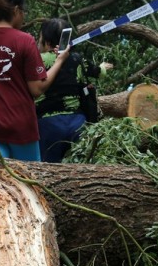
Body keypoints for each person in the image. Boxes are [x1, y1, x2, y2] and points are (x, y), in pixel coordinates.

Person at [0, 0, 68, 161]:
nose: (24, 17)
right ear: (15, 10)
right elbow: (37, 88)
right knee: (27, 183)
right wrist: (60, 60)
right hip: (19, 125)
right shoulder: (25, 40)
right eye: (23, 12)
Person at [35, 19, 113, 162]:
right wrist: (103, 67)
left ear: (46, 41)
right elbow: (98, 72)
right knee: (79, 167)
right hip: (78, 123)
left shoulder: (38, 60)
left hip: (47, 124)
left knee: (48, 169)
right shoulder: (77, 58)